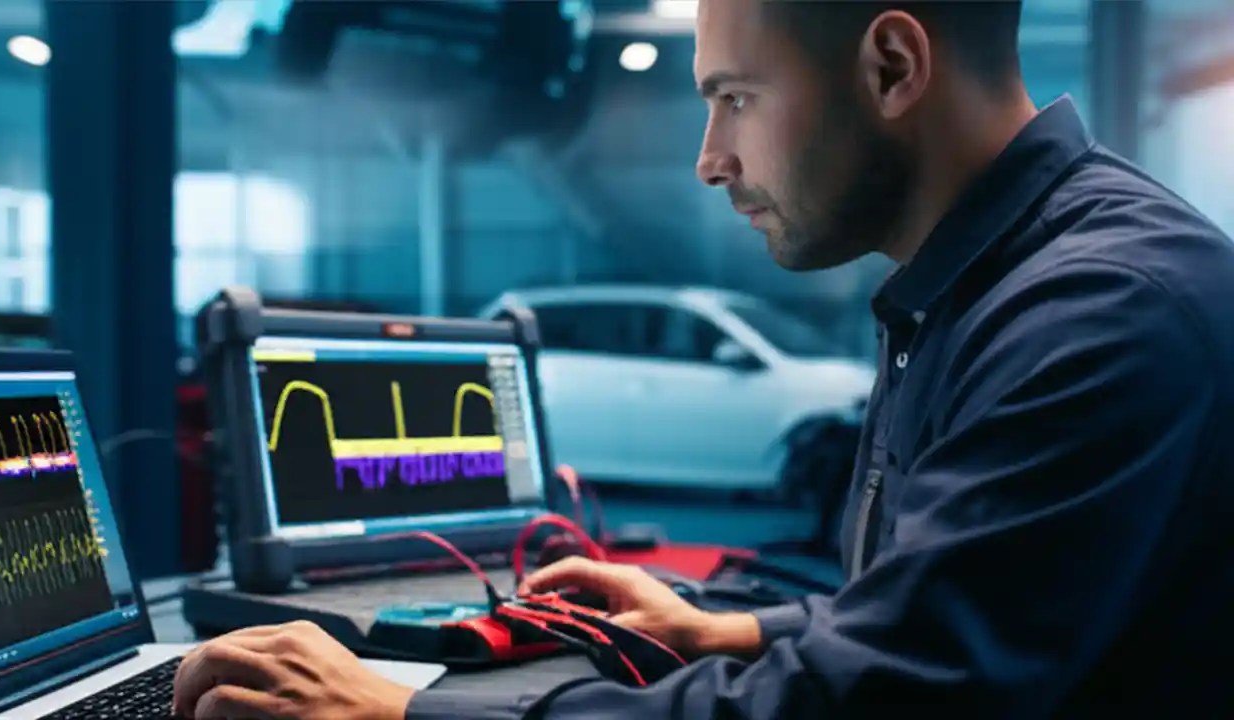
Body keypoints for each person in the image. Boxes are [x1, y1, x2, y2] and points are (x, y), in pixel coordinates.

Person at [172, 0, 1234, 717]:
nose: (708, 159)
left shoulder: (1096, 314)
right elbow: (956, 607)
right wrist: (724, 628)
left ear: (891, 67)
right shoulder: (995, 282)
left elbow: (891, 698)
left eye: (734, 96)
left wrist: (404, 709)